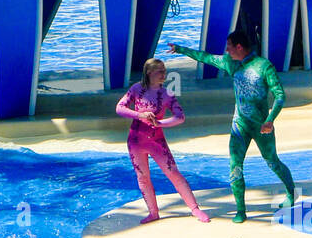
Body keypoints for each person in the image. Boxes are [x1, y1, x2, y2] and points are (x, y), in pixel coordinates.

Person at [169, 30, 295, 224]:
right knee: (235, 167)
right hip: (240, 125)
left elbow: (280, 96)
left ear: (239, 47)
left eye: (229, 47)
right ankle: (241, 210)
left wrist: (270, 120)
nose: (226, 51)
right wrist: (180, 49)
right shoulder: (231, 63)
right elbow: (206, 58)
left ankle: (290, 192)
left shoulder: (263, 66)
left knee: (272, 162)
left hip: (262, 126)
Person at [115, 58, 210, 225]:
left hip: (156, 140)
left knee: (172, 172)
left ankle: (195, 208)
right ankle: (153, 212)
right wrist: (140, 115)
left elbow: (180, 117)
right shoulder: (136, 89)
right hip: (136, 140)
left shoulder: (167, 94)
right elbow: (119, 108)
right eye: (161, 72)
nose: (164, 75)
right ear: (150, 72)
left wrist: (160, 123)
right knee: (142, 177)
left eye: (165, 72)